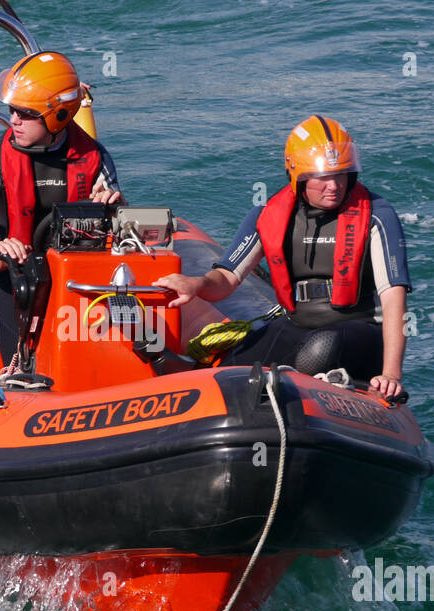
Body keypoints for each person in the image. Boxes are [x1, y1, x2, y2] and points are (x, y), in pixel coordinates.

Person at [153, 116, 412, 399]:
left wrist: (391, 375)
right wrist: (196, 285)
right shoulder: (268, 215)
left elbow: (393, 300)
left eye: (340, 175)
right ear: (298, 176)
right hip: (297, 323)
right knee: (225, 375)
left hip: (359, 329)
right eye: (322, 177)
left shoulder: (376, 215)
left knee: (320, 349)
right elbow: (226, 279)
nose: (334, 186)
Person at [0, 51, 122, 361]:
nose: (14, 120)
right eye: (11, 110)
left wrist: (117, 209)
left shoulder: (96, 158)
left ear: (58, 115)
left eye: (25, 113)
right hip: (16, 279)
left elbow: (125, 239)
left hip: (78, 280)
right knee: (21, 364)